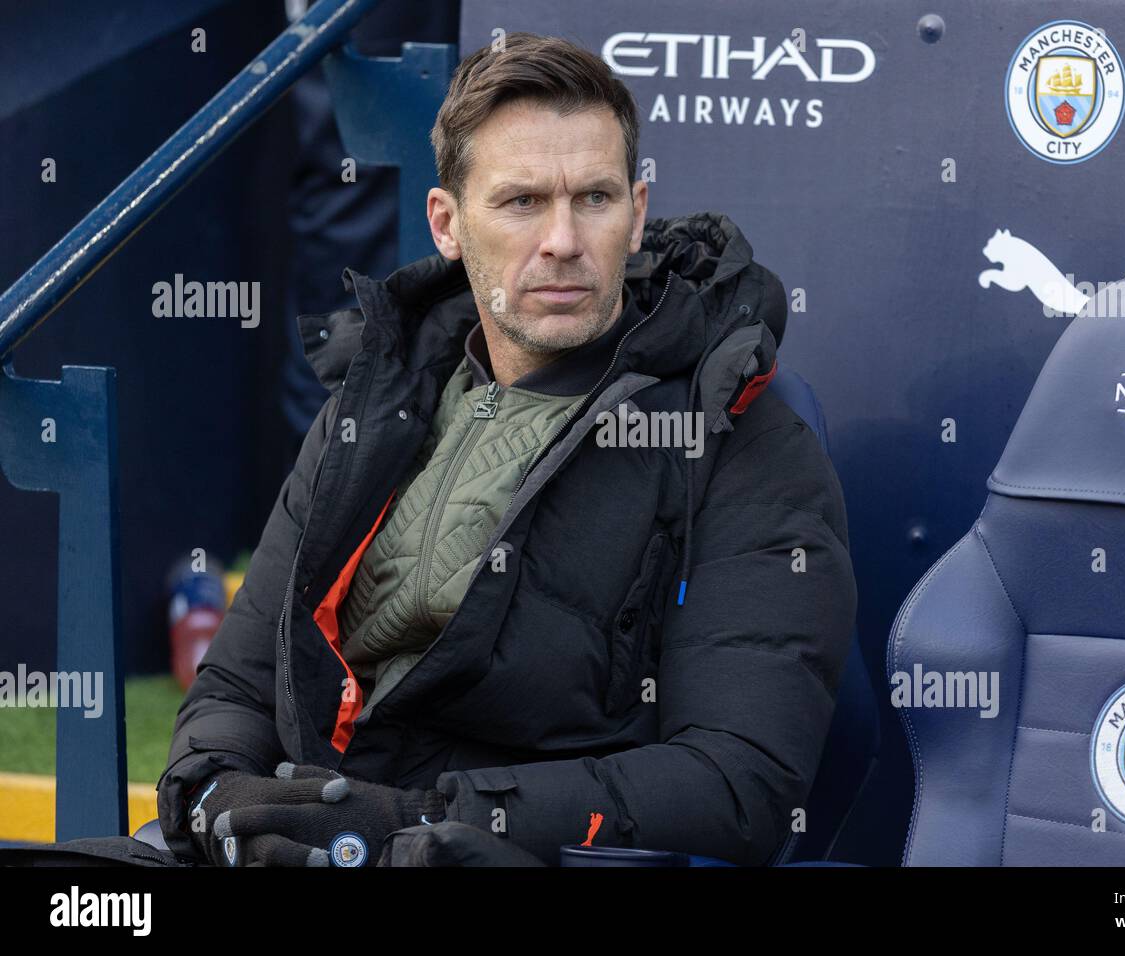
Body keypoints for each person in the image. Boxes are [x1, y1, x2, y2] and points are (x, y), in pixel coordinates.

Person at [158, 31, 857, 867]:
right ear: (448, 225)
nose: (562, 240)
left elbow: (738, 783)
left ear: (636, 215)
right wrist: (215, 797)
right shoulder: (375, 400)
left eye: (594, 200)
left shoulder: (739, 433)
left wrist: (416, 821)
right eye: (521, 202)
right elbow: (238, 683)